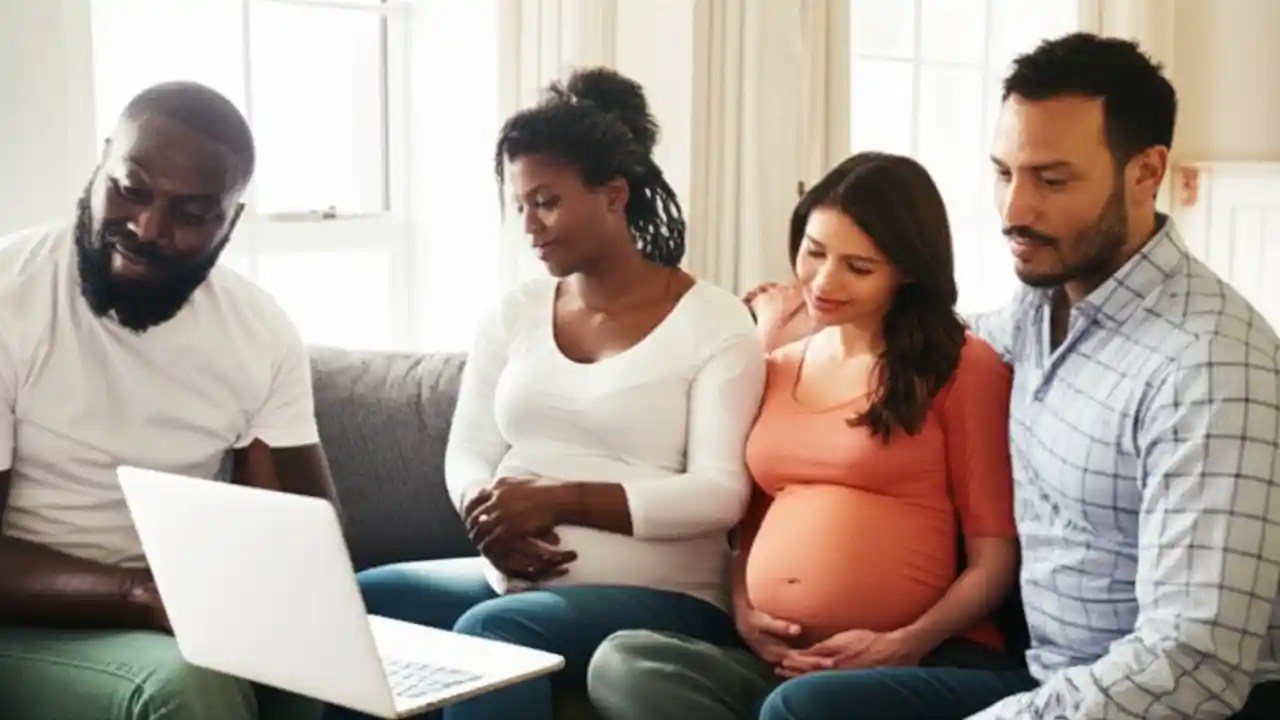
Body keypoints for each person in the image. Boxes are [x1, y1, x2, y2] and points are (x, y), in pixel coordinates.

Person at [743, 33, 1280, 720]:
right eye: (1004, 173)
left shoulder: (1209, 368)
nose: (1014, 211)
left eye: (1052, 180)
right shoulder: (1042, 307)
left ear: (1146, 172)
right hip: (1035, 674)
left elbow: (1194, 666)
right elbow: (941, 335)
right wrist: (795, 324)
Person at [339, 68, 765, 720]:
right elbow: (468, 452)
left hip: (666, 596)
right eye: (520, 206)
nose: (530, 226)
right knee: (358, 601)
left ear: (614, 195)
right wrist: (489, 521)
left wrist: (559, 500)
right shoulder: (515, 312)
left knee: (495, 636)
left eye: (546, 201)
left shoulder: (715, 320)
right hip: (504, 578)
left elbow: (719, 492)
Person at [587, 152, 1022, 720]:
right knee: (622, 663)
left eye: (858, 267)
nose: (823, 281)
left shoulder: (962, 368)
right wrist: (745, 612)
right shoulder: (776, 365)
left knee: (800, 706)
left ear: (909, 270)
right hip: (783, 665)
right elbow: (747, 531)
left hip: (926, 658)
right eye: (813, 252)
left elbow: (995, 559)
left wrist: (905, 642)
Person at [0, 82, 338, 720]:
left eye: (191, 214)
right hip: (29, 618)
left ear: (230, 222)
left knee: (322, 666)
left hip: (177, 611)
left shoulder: (259, 331)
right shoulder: (11, 300)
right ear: (101, 164)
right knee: (183, 688)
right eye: (130, 189)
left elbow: (303, 535)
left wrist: (292, 606)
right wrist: (138, 594)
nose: (146, 228)